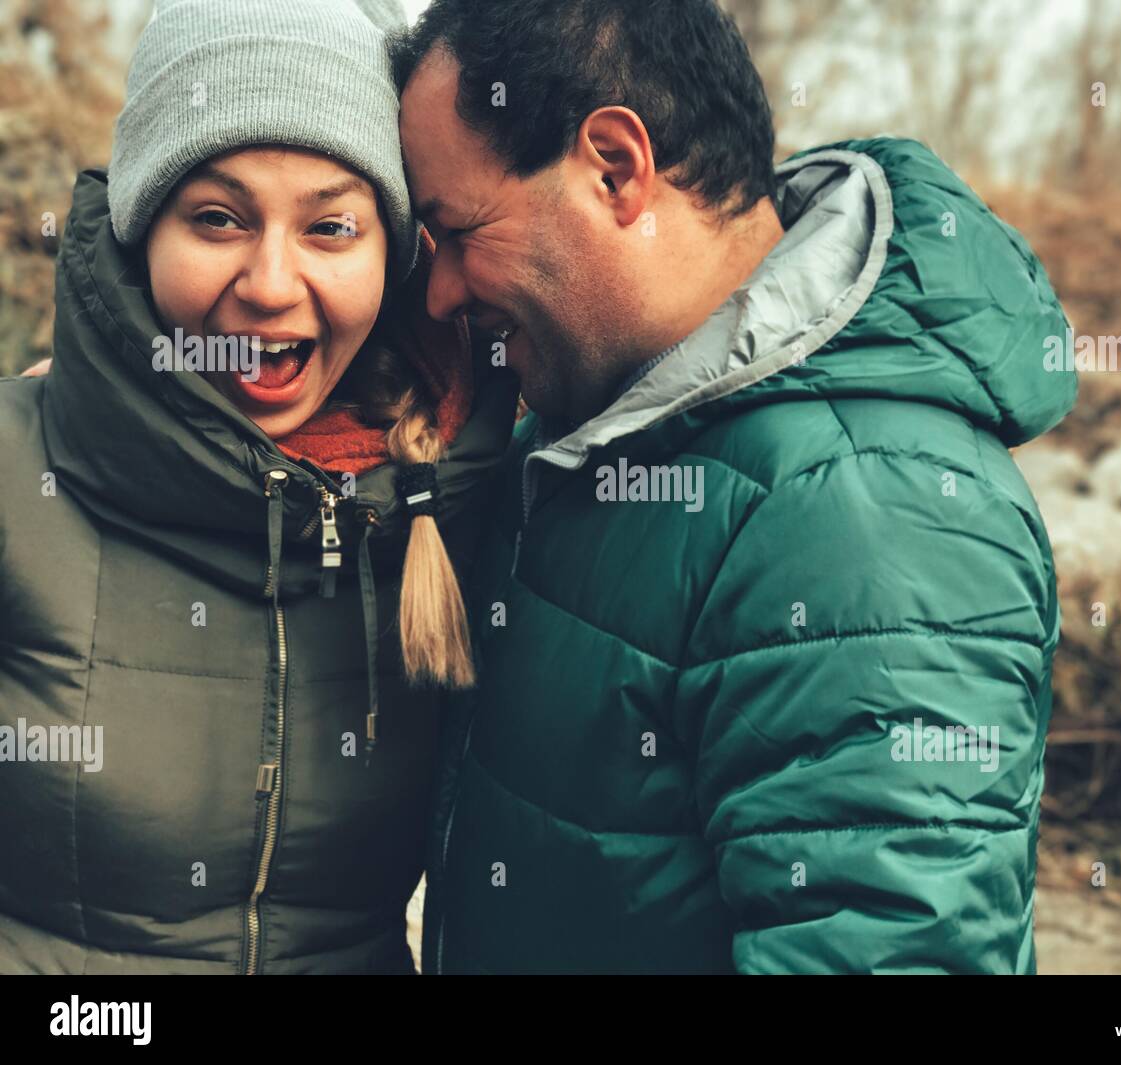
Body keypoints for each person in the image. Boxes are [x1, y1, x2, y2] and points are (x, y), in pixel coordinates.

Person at [393, 0, 1078, 974]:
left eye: (458, 231)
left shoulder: (864, 518)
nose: (441, 292)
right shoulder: (599, 426)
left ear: (615, 169)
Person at [0, 0, 513, 974]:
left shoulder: (469, 494)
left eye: (329, 226)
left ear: (395, 256)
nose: (271, 284)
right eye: (216, 219)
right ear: (142, 229)